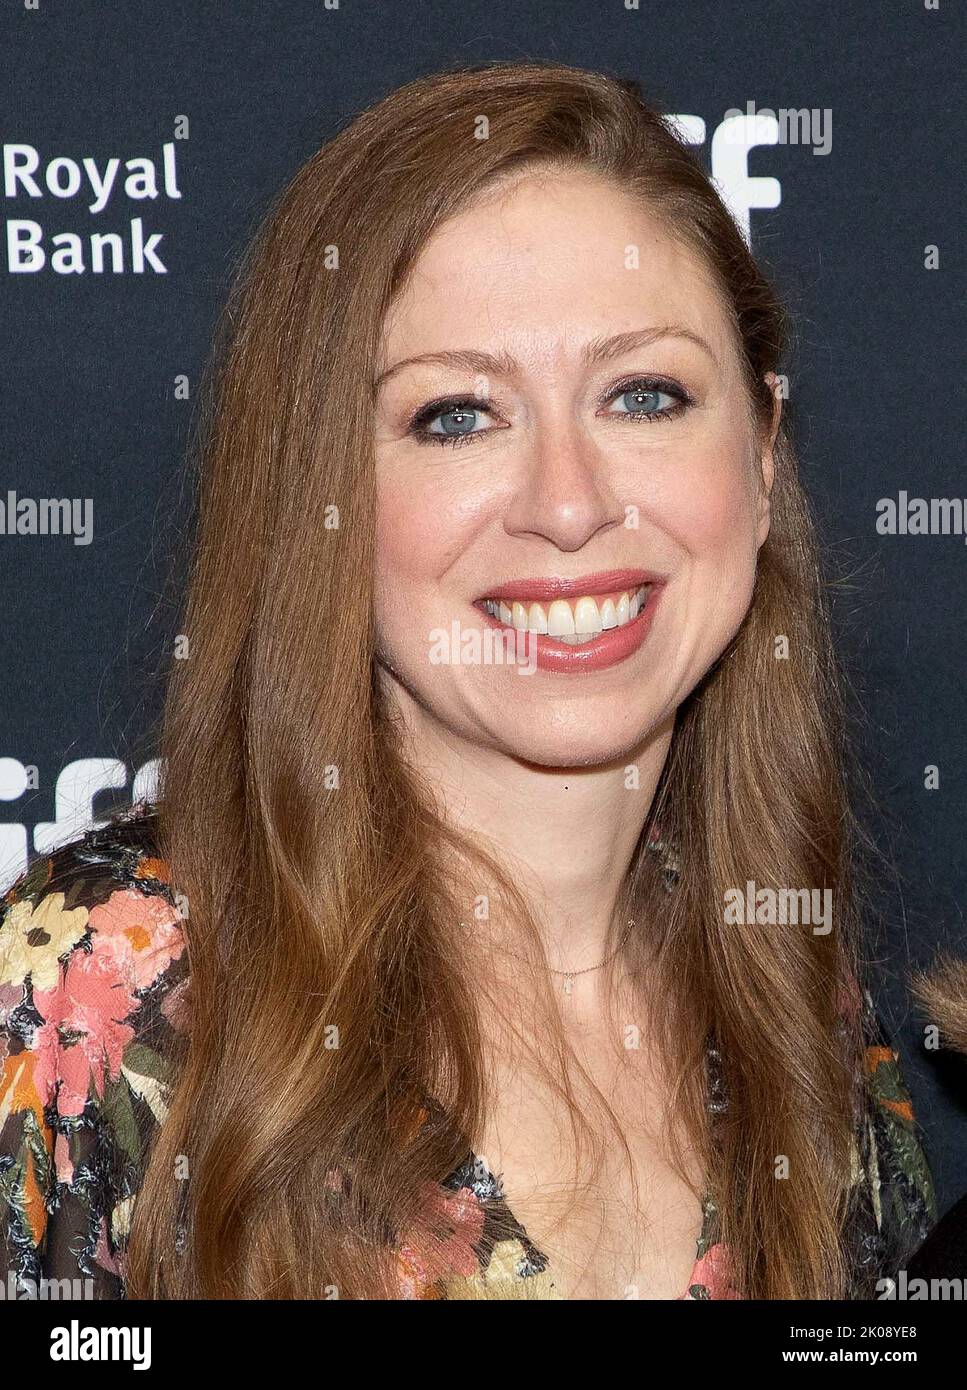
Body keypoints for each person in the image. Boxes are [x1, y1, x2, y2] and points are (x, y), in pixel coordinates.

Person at [0, 60, 938, 1301]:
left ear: (763, 456)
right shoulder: (101, 988)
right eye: (457, 415)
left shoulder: (793, 1003)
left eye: (643, 395)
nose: (569, 503)